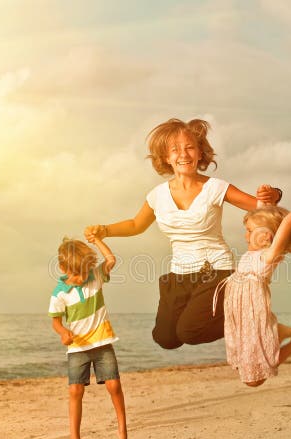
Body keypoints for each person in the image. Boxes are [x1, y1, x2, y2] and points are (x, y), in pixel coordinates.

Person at [84, 118, 281, 349]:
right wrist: (105, 230)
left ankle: (247, 319)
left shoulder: (215, 188)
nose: (183, 154)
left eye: (189, 147)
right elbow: (136, 224)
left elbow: (261, 205)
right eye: (174, 150)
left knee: (190, 332)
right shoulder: (158, 195)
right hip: (179, 274)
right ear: (166, 158)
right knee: (166, 339)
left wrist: (273, 194)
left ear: (199, 153)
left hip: (215, 270)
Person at [217, 199, 291, 387]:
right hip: (239, 315)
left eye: (250, 232)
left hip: (252, 312)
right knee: (239, 366)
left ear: (267, 236)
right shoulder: (252, 253)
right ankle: (284, 332)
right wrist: (261, 202)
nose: (245, 236)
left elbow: (287, 223)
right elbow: (263, 219)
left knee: (254, 381)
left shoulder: (269, 255)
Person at [49, 236, 129, 439]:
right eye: (77, 275)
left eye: (85, 273)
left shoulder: (96, 276)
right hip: (78, 348)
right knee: (75, 391)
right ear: (64, 269)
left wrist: (97, 241)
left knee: (114, 386)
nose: (83, 278)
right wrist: (63, 332)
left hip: (103, 342)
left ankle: (122, 430)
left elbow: (111, 259)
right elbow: (55, 321)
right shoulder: (60, 292)